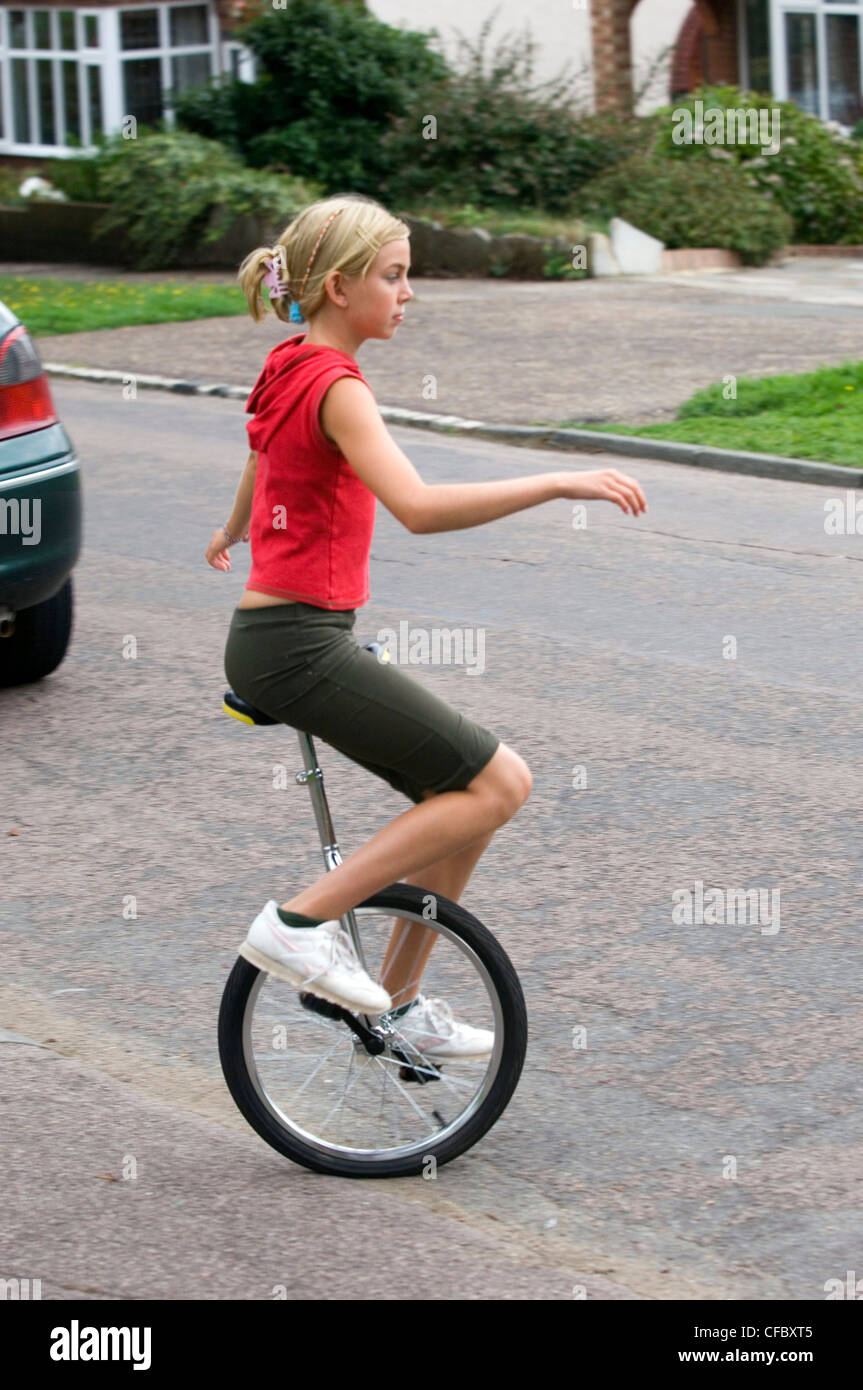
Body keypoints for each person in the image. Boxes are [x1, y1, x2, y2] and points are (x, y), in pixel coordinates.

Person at [207, 193, 647, 1058]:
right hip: (296, 646)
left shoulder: (287, 361)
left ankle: (396, 1006)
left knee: (464, 804)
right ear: (338, 286)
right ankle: (299, 924)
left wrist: (232, 530)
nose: (408, 294)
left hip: (281, 640)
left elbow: (261, 459)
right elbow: (416, 507)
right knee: (501, 782)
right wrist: (556, 484)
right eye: (394, 276)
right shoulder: (338, 386)